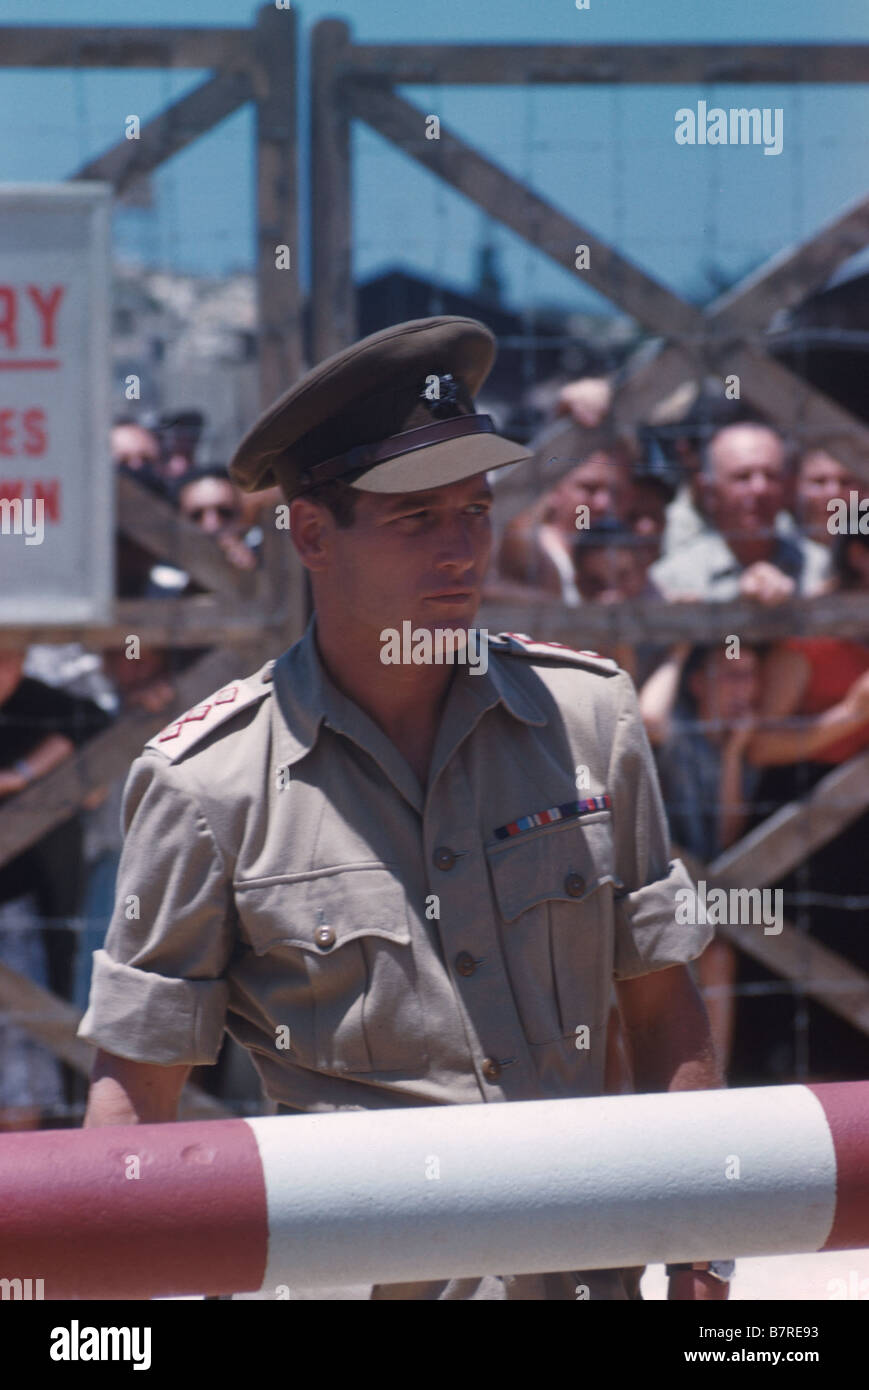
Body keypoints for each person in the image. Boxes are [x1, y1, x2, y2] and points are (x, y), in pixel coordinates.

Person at [78, 316, 725, 1301]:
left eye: (475, 509)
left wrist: (700, 1255)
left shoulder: (587, 721)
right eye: (414, 518)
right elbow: (136, 1091)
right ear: (308, 535)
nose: (460, 548)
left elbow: (659, 1003)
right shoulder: (207, 784)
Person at [640, 643, 764, 1074]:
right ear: (697, 684)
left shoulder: (743, 744)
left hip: (707, 892)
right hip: (649, 884)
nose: (744, 688)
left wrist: (732, 757)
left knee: (717, 953)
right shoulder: (681, 730)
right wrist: (678, 653)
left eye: (751, 675)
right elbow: (649, 718)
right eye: (731, 675)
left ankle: (717, 1079)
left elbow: (728, 839)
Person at [651, 423, 829, 604]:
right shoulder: (673, 580)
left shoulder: (821, 569)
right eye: (742, 477)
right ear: (710, 493)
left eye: (771, 476)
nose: (760, 489)